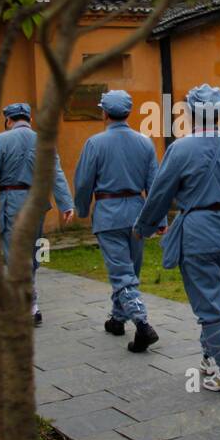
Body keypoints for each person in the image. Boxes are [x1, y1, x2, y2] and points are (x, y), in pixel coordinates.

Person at [133, 84, 220, 385]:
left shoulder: (180, 148)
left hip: (198, 233)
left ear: (190, 113)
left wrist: (144, 227)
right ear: (219, 113)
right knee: (215, 295)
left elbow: (160, 194)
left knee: (209, 304)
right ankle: (209, 356)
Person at [73, 89, 159, 343]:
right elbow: (155, 185)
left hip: (108, 215)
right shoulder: (145, 142)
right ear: (128, 113)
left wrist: (82, 209)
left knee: (122, 274)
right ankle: (117, 320)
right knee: (130, 271)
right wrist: (159, 219)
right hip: (137, 213)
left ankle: (142, 324)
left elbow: (83, 182)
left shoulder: (95, 143)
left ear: (104, 113)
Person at [0, 102, 73, 324]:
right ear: (28, 119)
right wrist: (66, 204)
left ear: (9, 120)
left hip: (11, 201)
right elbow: (55, 173)